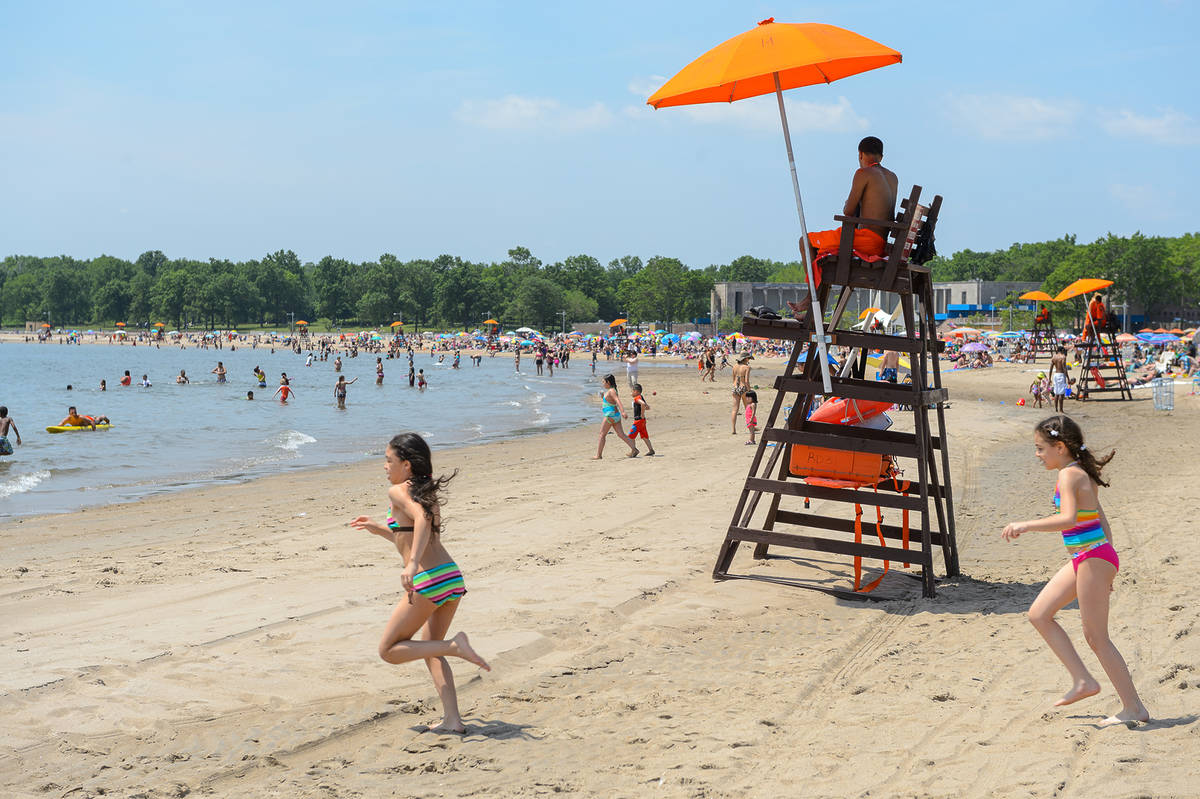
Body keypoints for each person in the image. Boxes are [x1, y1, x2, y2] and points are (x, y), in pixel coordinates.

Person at [1001, 415, 1149, 727]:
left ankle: (1133, 707)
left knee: (1096, 637)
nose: (1038, 455)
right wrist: (1108, 565)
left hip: (1093, 557)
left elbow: (1069, 519)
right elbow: (1101, 521)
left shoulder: (1070, 476)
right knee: (1039, 614)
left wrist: (1024, 525)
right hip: (1092, 556)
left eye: (1041, 449)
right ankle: (1083, 681)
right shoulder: (1079, 472)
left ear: (1060, 447)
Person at [349, 432, 490, 735]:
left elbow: (422, 520)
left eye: (389, 460)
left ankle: (456, 646)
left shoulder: (399, 491)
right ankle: (453, 720)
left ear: (407, 465)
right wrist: (379, 529)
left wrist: (412, 564)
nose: (384, 466)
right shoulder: (426, 490)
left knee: (388, 650)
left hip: (428, 579)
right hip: (449, 575)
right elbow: (415, 534)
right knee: (429, 649)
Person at [789, 136, 898, 319]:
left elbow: (848, 211)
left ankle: (811, 300)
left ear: (860, 154)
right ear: (882, 156)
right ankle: (813, 305)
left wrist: (850, 203)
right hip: (881, 241)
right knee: (816, 245)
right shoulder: (892, 177)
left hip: (866, 241)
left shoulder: (863, 173)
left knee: (805, 241)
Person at [593, 374, 639, 459]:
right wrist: (603, 397)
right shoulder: (612, 390)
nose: (603, 383)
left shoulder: (611, 391)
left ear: (608, 382)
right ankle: (634, 449)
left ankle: (598, 455)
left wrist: (623, 411)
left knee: (602, 434)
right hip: (615, 415)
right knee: (621, 434)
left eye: (603, 382)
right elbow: (611, 401)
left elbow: (617, 400)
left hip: (610, 415)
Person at [629, 383, 655, 456]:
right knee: (644, 436)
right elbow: (647, 407)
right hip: (643, 421)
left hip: (638, 421)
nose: (631, 393)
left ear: (636, 391)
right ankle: (651, 450)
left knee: (631, 436)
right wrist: (645, 409)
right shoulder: (641, 397)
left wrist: (642, 414)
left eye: (632, 391)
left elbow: (643, 404)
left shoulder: (637, 398)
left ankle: (633, 451)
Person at [730, 353, 752, 434]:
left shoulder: (735, 366)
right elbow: (746, 381)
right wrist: (750, 391)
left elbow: (733, 378)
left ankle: (733, 429)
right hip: (743, 388)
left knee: (735, 409)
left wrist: (735, 385)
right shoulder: (747, 367)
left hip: (735, 387)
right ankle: (751, 427)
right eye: (748, 359)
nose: (749, 360)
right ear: (745, 359)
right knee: (748, 408)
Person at [1050, 347, 1069, 412]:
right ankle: (1061, 409)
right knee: (1061, 393)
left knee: (1056, 392)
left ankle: (1056, 408)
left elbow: (1051, 368)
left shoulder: (1054, 357)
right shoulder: (1063, 357)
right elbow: (1064, 368)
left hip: (1055, 375)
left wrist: (1049, 378)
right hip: (1061, 374)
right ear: (1062, 351)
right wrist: (1068, 377)